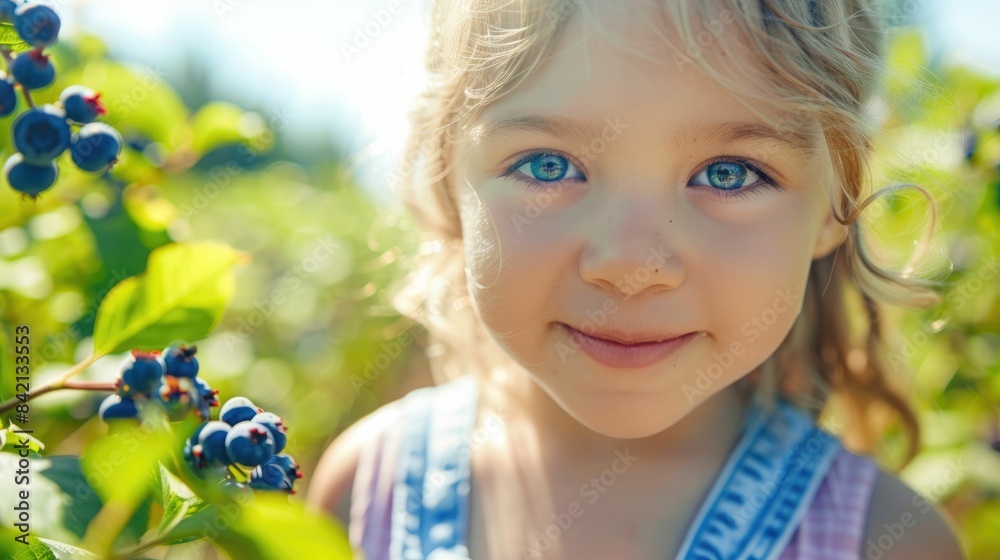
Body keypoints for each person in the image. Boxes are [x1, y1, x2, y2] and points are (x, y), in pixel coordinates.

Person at [308, 0, 966, 558]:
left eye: (729, 173)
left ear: (834, 207)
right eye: (547, 165)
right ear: (449, 182)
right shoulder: (372, 491)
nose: (632, 265)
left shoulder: (884, 539)